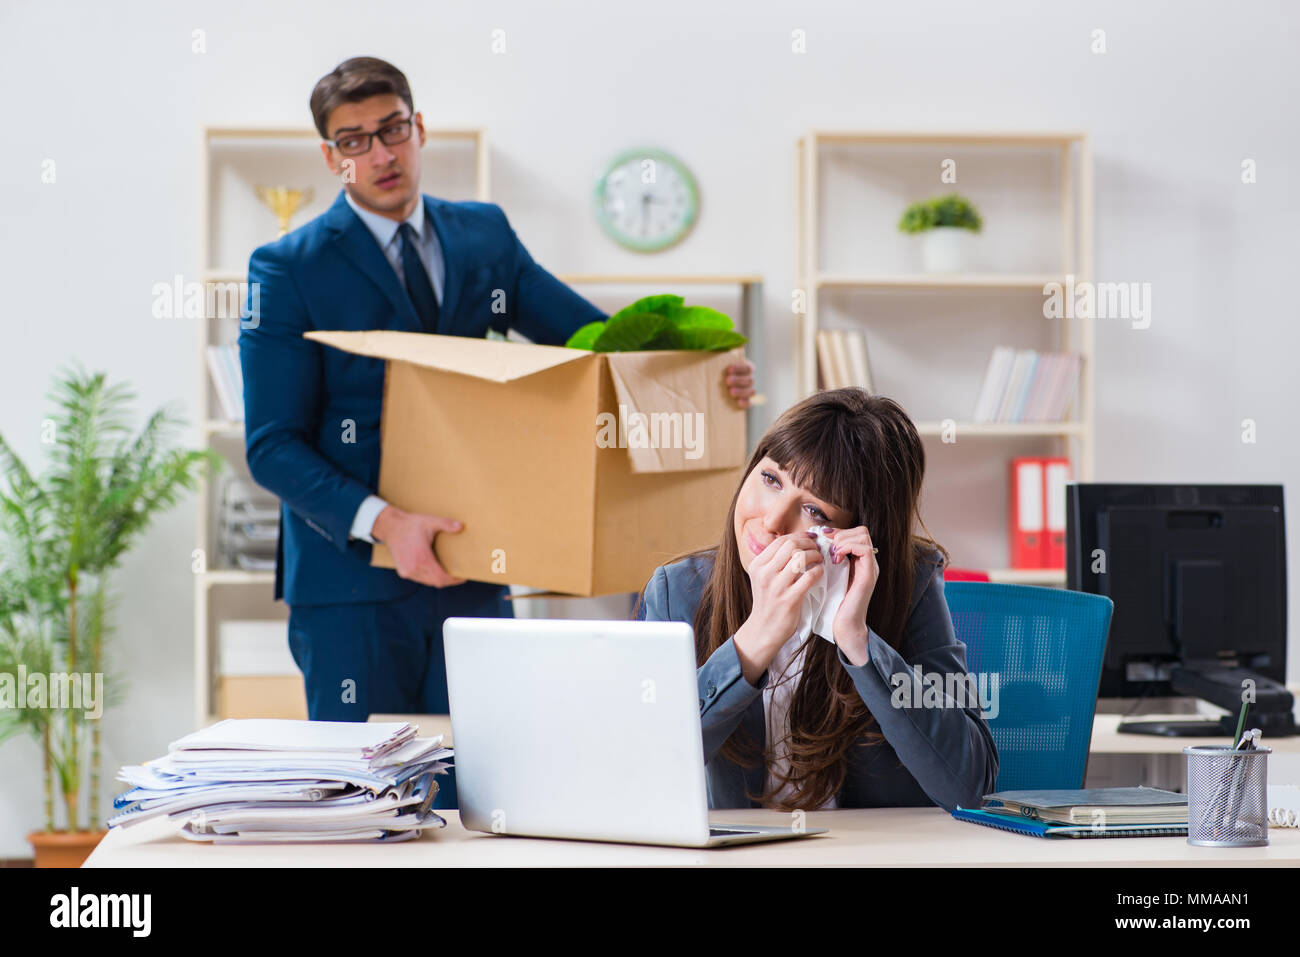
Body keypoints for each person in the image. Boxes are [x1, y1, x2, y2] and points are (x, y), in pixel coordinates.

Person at [238, 57, 757, 808]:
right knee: (368, 804)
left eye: (392, 129)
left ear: (419, 129)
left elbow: (590, 340)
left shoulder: (482, 235)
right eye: (354, 140)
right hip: (350, 586)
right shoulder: (286, 268)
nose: (380, 154)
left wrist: (700, 370)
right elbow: (272, 444)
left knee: (485, 791)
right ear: (330, 158)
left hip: (475, 560)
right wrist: (386, 524)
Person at [635, 388, 997, 811]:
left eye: (815, 511)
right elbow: (640, 768)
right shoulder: (678, 591)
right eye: (771, 479)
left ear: (856, 533)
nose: (770, 520)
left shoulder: (911, 584)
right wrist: (751, 645)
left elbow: (971, 787)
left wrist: (858, 644)